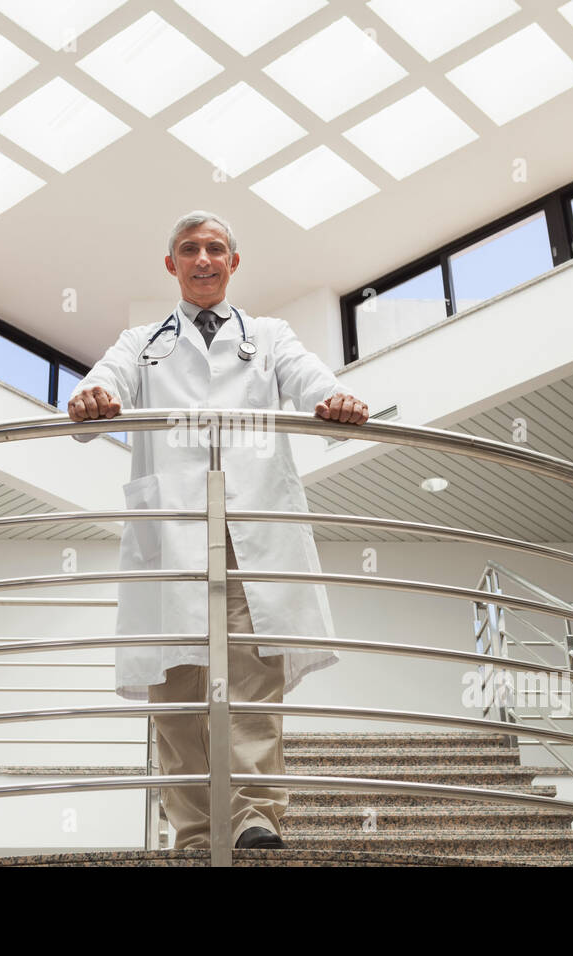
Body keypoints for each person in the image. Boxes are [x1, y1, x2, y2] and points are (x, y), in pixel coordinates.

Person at [67, 210, 368, 851]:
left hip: (249, 530)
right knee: (176, 687)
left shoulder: (269, 334)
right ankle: (197, 829)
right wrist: (92, 397)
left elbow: (309, 377)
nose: (203, 259)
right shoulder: (140, 342)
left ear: (233, 264)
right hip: (170, 536)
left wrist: (333, 398)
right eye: (189, 249)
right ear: (170, 265)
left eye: (215, 249)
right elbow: (103, 386)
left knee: (253, 675)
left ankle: (256, 815)